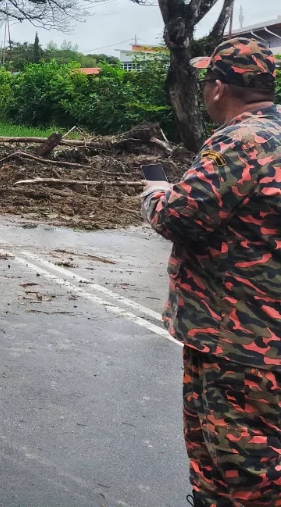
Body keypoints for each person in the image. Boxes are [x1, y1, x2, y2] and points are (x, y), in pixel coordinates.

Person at [141, 37, 281, 507]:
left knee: (240, 467)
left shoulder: (240, 141)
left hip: (239, 339)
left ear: (219, 88)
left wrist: (155, 191)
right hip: (255, 338)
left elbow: (179, 216)